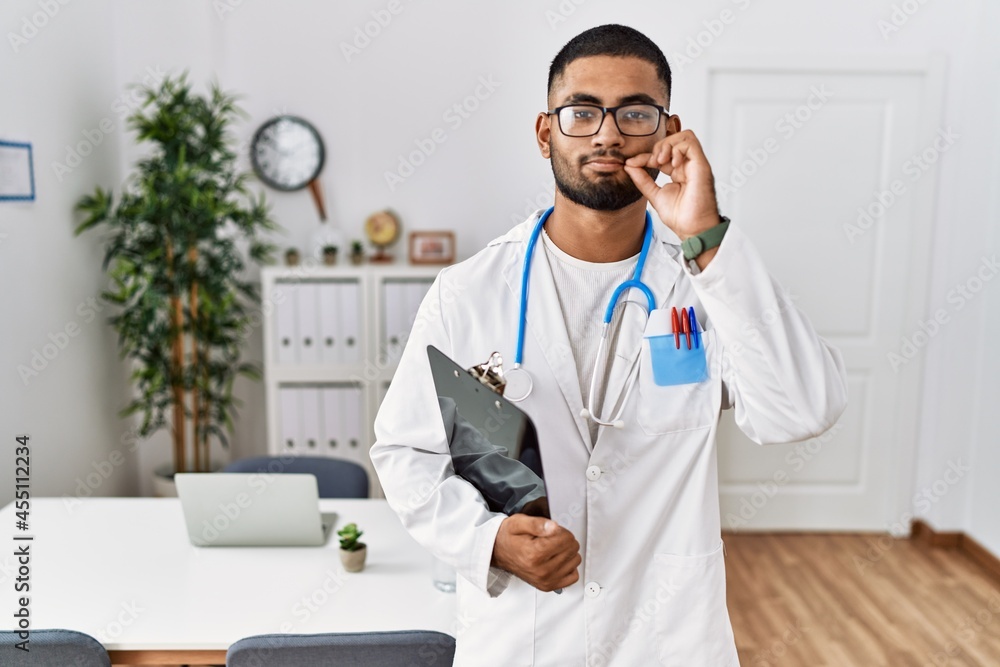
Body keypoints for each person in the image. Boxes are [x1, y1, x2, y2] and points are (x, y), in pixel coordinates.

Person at [370, 24, 848, 666]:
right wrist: (488, 542)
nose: (608, 133)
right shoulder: (470, 291)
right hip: (524, 636)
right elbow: (405, 450)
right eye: (583, 111)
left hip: (669, 639)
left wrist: (705, 235)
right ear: (546, 132)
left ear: (668, 129)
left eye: (635, 112)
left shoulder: (706, 279)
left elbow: (803, 409)